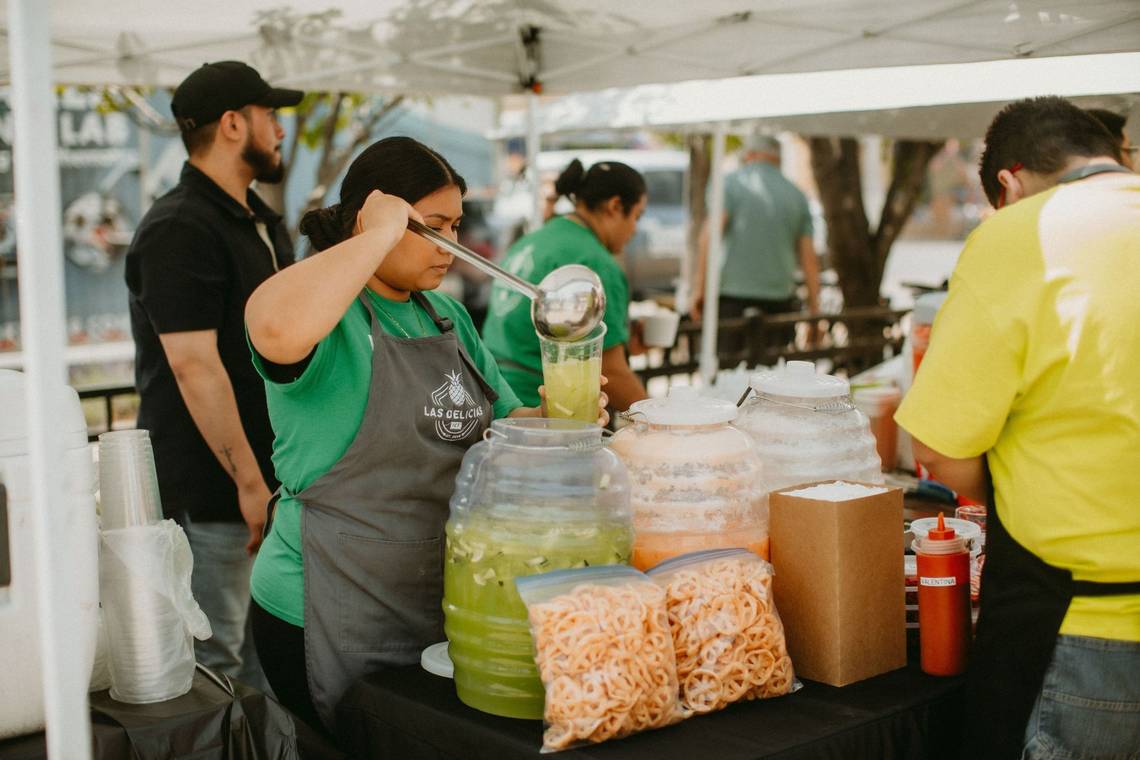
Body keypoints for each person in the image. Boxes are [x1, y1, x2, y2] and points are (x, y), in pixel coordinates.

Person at [244, 136, 607, 732]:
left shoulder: (446, 314)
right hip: (326, 602)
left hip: (430, 596)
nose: (452, 248)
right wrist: (377, 236)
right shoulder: (328, 312)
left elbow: (498, 423)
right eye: (432, 228)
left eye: (457, 226)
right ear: (375, 219)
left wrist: (551, 419)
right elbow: (274, 327)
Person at [894, 96, 1140, 759]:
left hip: (1088, 627)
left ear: (1009, 181)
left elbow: (940, 451)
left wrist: (999, 491)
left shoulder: (1018, 234)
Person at [124, 60, 301, 690]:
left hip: (264, 485)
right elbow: (194, 366)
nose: (280, 130)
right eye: (269, 115)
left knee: (263, 662)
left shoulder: (254, 217)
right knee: (215, 665)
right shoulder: (180, 228)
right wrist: (250, 484)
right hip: (213, 494)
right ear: (233, 124)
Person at [481, 159, 649, 412]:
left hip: (493, 395)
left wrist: (626, 343)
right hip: (540, 406)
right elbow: (611, 373)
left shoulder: (536, 239)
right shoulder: (594, 262)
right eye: (637, 216)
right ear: (615, 206)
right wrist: (661, 423)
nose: (635, 229)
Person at [691, 133, 820, 349]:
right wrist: (815, 312)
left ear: (749, 154)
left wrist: (700, 289)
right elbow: (809, 258)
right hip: (780, 301)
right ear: (777, 159)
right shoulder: (797, 195)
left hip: (732, 300)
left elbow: (710, 236)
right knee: (774, 376)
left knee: (730, 375)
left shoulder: (729, 184)